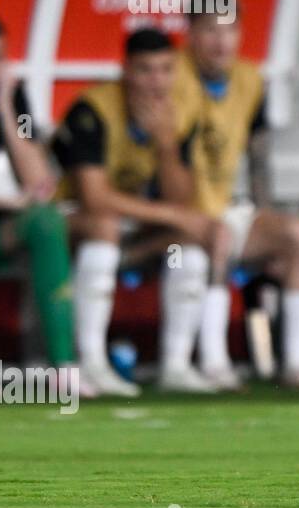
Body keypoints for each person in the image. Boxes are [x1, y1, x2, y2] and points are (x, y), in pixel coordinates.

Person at [52, 28, 227, 396]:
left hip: (133, 228)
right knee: (105, 224)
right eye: (146, 70)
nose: (157, 82)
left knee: (191, 241)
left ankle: (177, 365)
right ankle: (92, 362)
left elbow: (182, 198)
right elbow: (93, 197)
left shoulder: (180, 112)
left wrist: (165, 147)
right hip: (70, 222)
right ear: (126, 71)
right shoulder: (92, 109)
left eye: (166, 69)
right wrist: (173, 216)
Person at [177, 2, 299, 390]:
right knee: (218, 235)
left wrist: (265, 212)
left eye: (229, 30)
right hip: (180, 214)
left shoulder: (249, 80)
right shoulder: (171, 77)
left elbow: (257, 152)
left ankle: (297, 364)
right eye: (210, 30)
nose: (221, 41)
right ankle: (214, 363)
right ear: (190, 34)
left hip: (232, 209)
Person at [0, 15, 75, 372]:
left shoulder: (13, 99)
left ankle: (63, 366)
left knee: (46, 222)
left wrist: (5, 109)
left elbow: (38, 185)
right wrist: (4, 202)